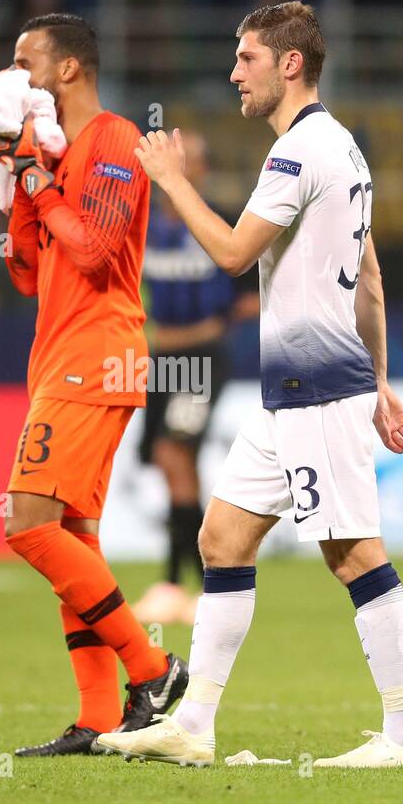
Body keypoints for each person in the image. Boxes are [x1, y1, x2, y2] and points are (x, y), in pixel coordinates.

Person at [98, 2, 403, 769]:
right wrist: (380, 379)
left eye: (245, 58)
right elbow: (370, 277)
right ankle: (196, 725)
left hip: (316, 388)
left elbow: (231, 253)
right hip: (295, 391)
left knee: (351, 554)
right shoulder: (344, 149)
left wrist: (171, 182)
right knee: (222, 538)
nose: (233, 72)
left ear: (289, 65)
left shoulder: (297, 153)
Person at [0, 14, 188, 757]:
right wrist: (23, 178)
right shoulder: (58, 152)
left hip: (97, 354)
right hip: (60, 357)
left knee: (26, 522)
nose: (15, 77)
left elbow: (99, 250)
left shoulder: (110, 138)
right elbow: (24, 271)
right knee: (70, 533)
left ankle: (153, 669)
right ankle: (102, 715)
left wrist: (41, 179)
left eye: (25, 62)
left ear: (68, 69)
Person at [132, 129, 258, 627]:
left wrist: (220, 321)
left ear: (200, 172)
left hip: (202, 357)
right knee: (171, 465)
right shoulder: (143, 230)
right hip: (159, 359)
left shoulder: (217, 226)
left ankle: (180, 583)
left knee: (173, 453)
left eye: (189, 162)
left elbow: (252, 289)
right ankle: (197, 585)